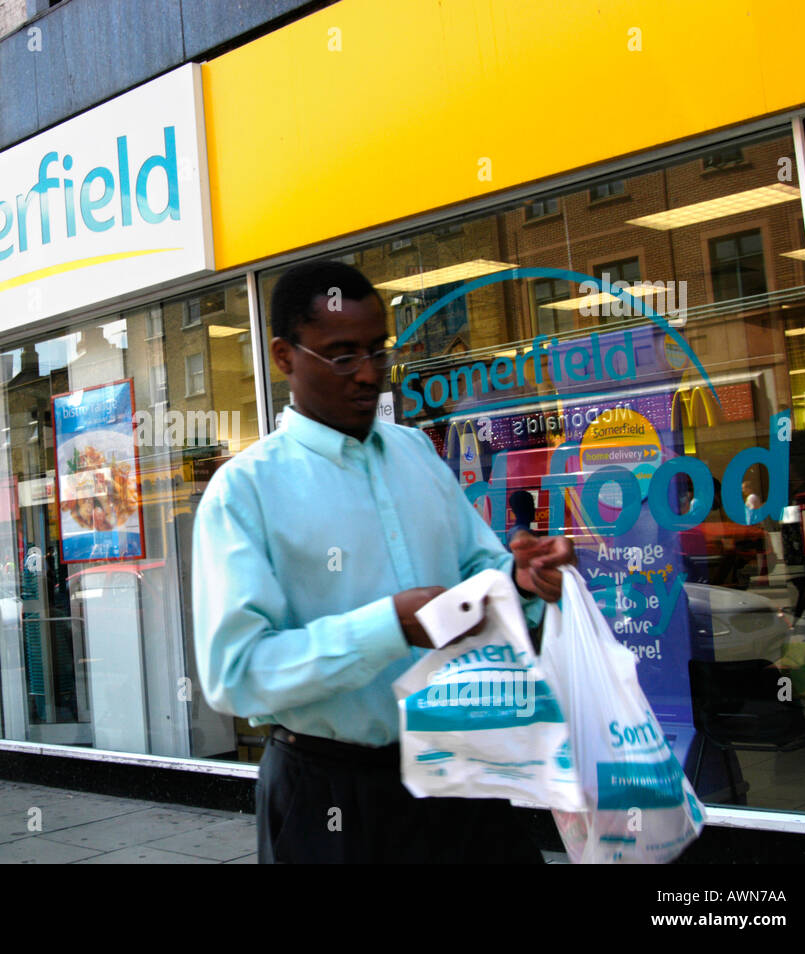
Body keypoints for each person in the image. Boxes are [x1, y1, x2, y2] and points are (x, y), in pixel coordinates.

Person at [191, 260, 575, 864]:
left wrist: (518, 578)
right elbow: (234, 673)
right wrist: (388, 627)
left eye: (378, 350)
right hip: (332, 793)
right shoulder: (245, 492)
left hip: (458, 772)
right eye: (342, 355)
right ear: (284, 356)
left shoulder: (416, 451)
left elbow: (478, 569)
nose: (370, 374)